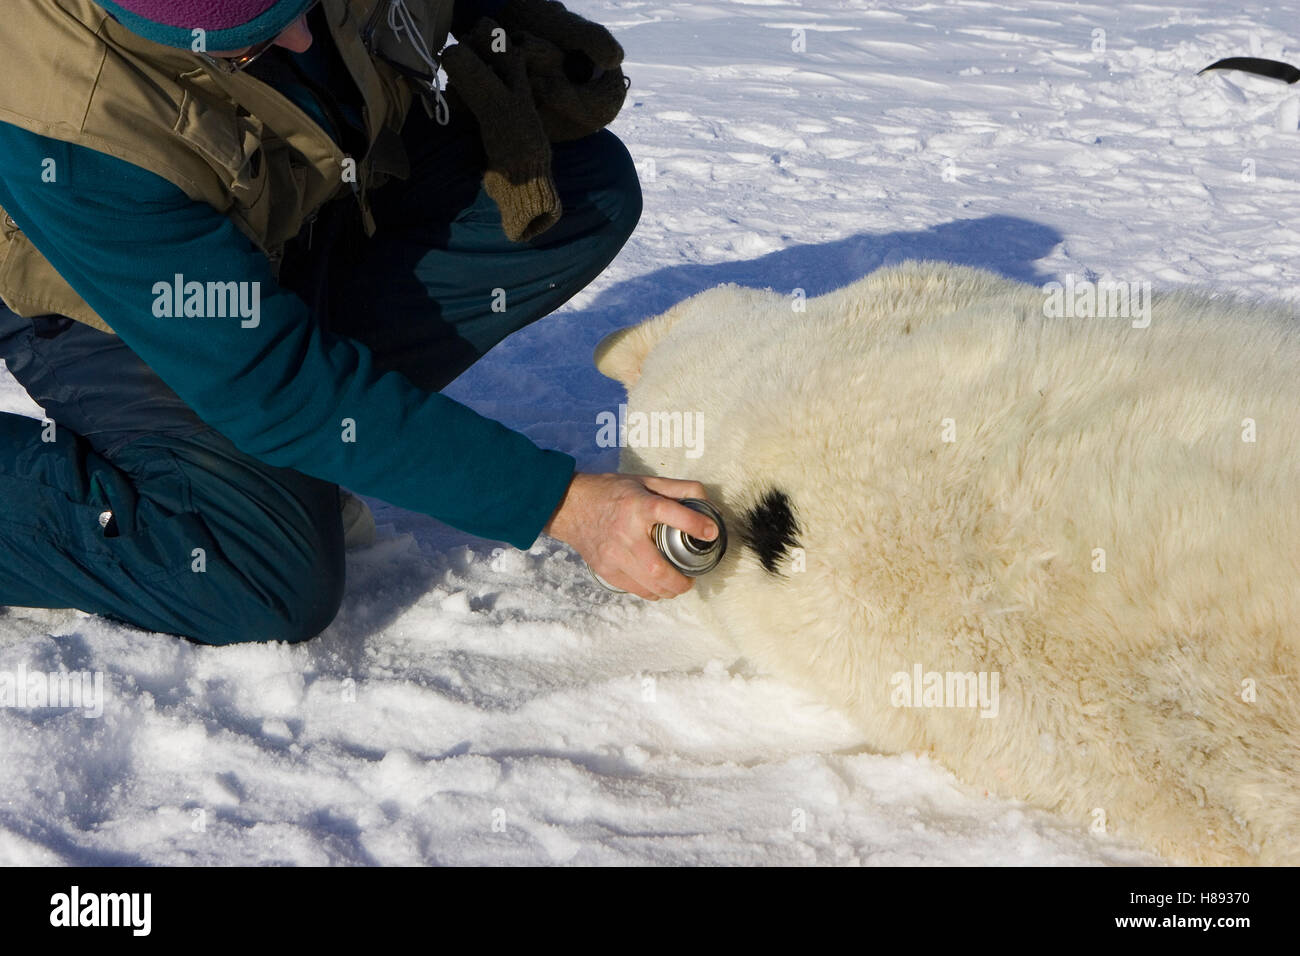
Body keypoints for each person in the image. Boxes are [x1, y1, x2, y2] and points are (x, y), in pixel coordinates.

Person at [0, 0, 718, 645]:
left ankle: (320, 445)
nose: (302, 32)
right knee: (261, 576)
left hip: (296, 209)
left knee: (578, 196)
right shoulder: (70, 120)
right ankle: (269, 465)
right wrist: (563, 504)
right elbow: (272, 380)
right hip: (101, 297)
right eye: (249, 45)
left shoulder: (281, 19)